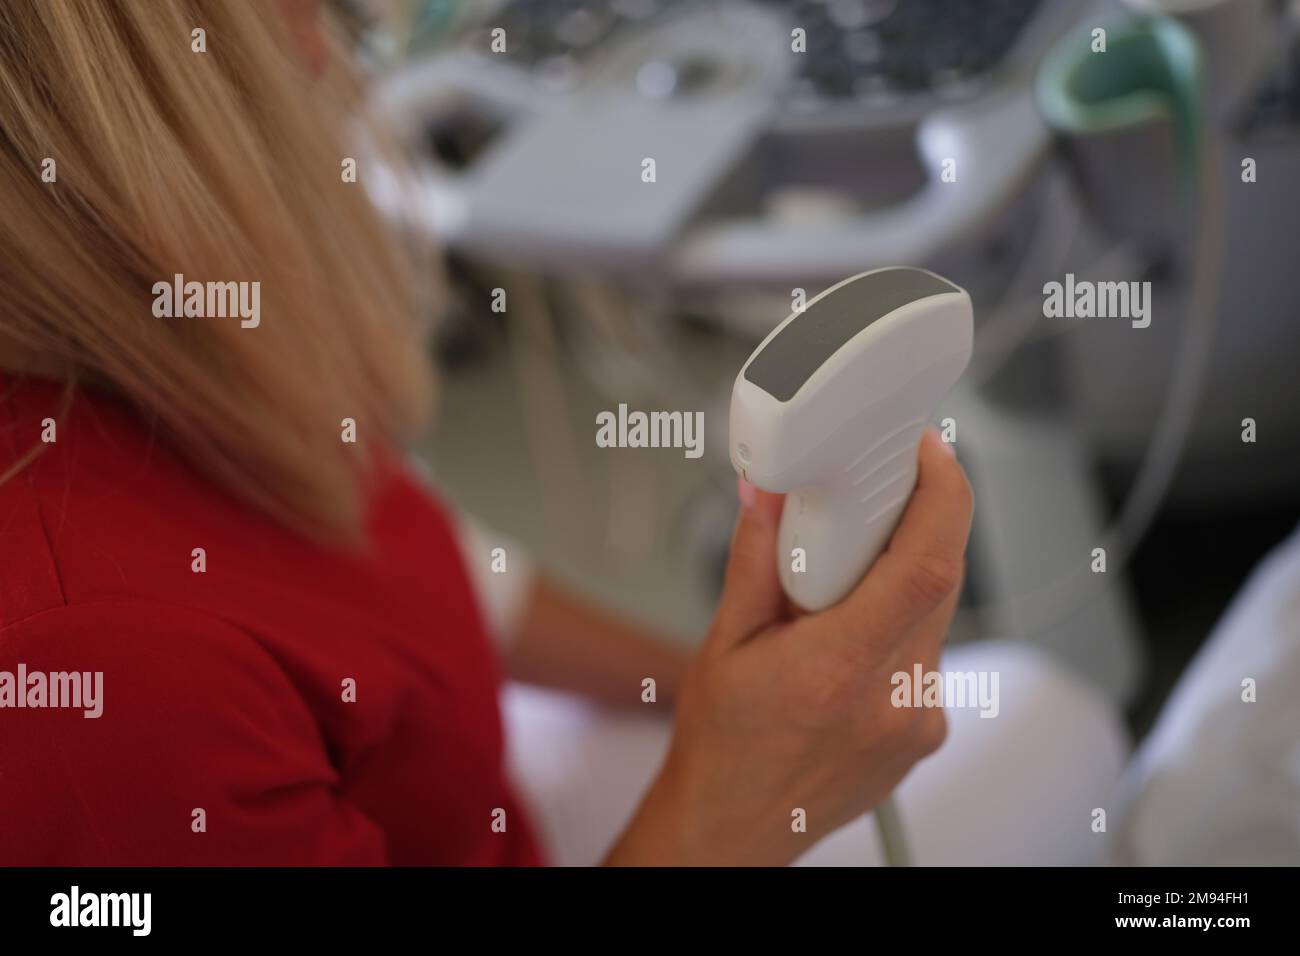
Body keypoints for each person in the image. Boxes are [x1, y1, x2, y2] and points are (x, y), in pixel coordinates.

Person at [0, 0, 970, 866]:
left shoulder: (163, 340)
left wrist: (709, 692)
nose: (334, 31)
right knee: (1046, 711)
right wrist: (729, 813)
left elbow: (412, 563)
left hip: (483, 795)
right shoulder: (84, 692)